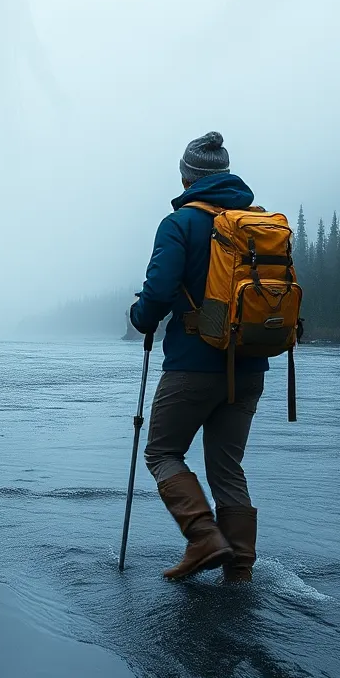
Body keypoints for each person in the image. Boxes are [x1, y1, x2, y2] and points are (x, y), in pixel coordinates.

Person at [129, 132, 268, 582]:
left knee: (162, 451)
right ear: (225, 175)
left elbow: (158, 293)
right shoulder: (257, 223)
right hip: (249, 366)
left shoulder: (181, 223)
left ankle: (204, 537)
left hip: (194, 363)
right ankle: (240, 569)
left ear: (188, 177)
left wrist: (140, 316)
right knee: (227, 467)